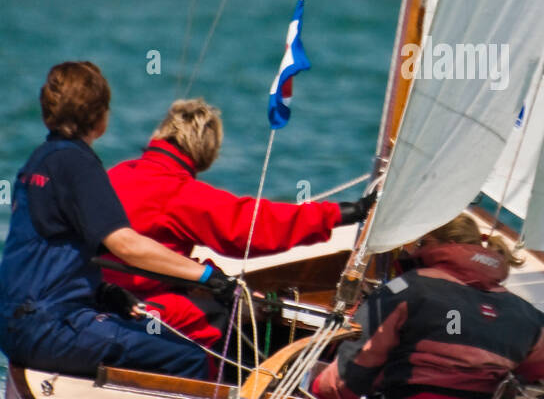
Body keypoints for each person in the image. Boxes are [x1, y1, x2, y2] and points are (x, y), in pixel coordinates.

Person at [0, 63, 225, 380]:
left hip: (13, 324)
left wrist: (104, 293)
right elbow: (126, 246)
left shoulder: (38, 160)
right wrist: (208, 277)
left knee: (144, 337)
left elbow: (48, 252)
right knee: (190, 358)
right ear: (100, 119)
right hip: (50, 327)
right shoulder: (79, 164)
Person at [104, 98, 374, 349]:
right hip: (138, 305)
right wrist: (345, 213)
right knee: (220, 312)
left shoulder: (117, 173)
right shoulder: (178, 192)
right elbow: (253, 228)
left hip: (100, 295)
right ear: (207, 148)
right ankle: (205, 377)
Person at [313, 213, 544, 399]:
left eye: (421, 242)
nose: (413, 250)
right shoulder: (528, 315)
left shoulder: (404, 291)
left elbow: (352, 373)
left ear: (448, 244)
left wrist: (319, 389)